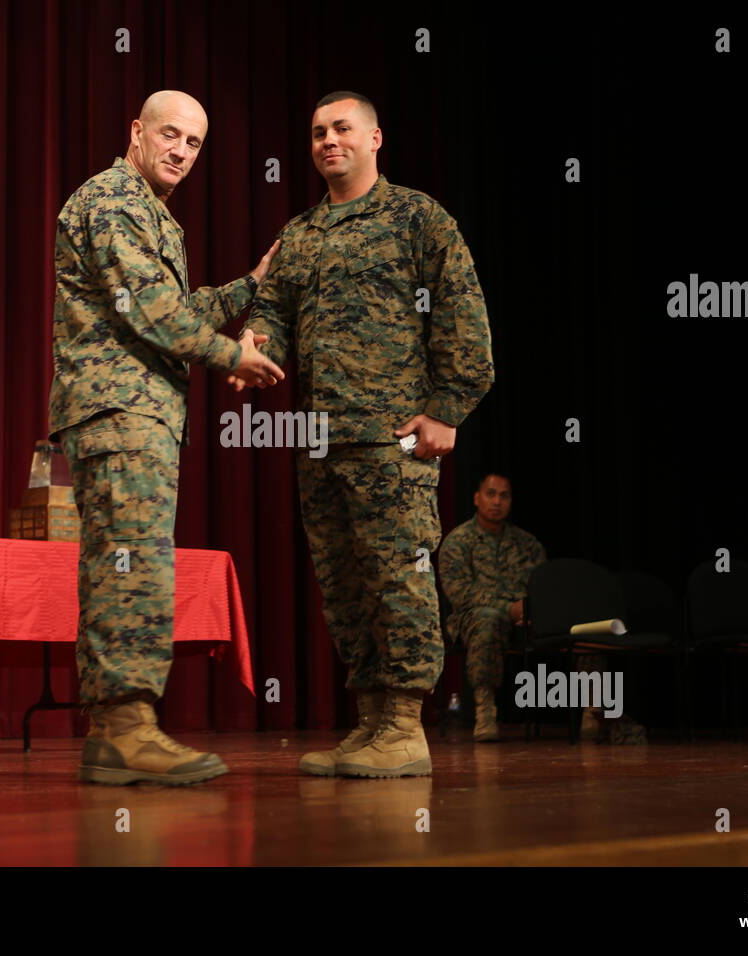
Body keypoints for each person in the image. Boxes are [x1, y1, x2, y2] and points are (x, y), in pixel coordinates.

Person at [239, 91, 494, 777]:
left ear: (374, 137)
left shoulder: (417, 218)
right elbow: (274, 313)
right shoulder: (302, 233)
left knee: (399, 577)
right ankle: (372, 718)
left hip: (392, 441)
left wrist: (447, 410)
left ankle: (408, 726)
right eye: (317, 131)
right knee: (344, 586)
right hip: (320, 442)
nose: (328, 140)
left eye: (341, 128)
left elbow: (465, 319)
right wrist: (252, 348)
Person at [50, 90, 284, 785]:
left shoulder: (152, 213)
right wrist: (231, 355)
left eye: (194, 144)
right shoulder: (114, 200)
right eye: (170, 135)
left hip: (138, 412)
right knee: (132, 567)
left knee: (128, 564)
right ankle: (127, 727)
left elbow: (174, 308)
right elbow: (151, 313)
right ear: (137, 132)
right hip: (121, 411)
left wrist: (249, 287)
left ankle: (115, 730)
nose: (181, 151)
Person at [438, 473, 543, 741]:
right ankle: (485, 711)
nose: (497, 501)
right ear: (477, 498)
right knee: (487, 618)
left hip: (525, 620)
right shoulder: (458, 541)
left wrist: (531, 611)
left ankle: (594, 711)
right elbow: (460, 594)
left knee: (581, 621)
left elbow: (543, 587)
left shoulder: (528, 544)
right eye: (491, 493)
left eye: (504, 495)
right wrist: (509, 609)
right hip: (472, 619)